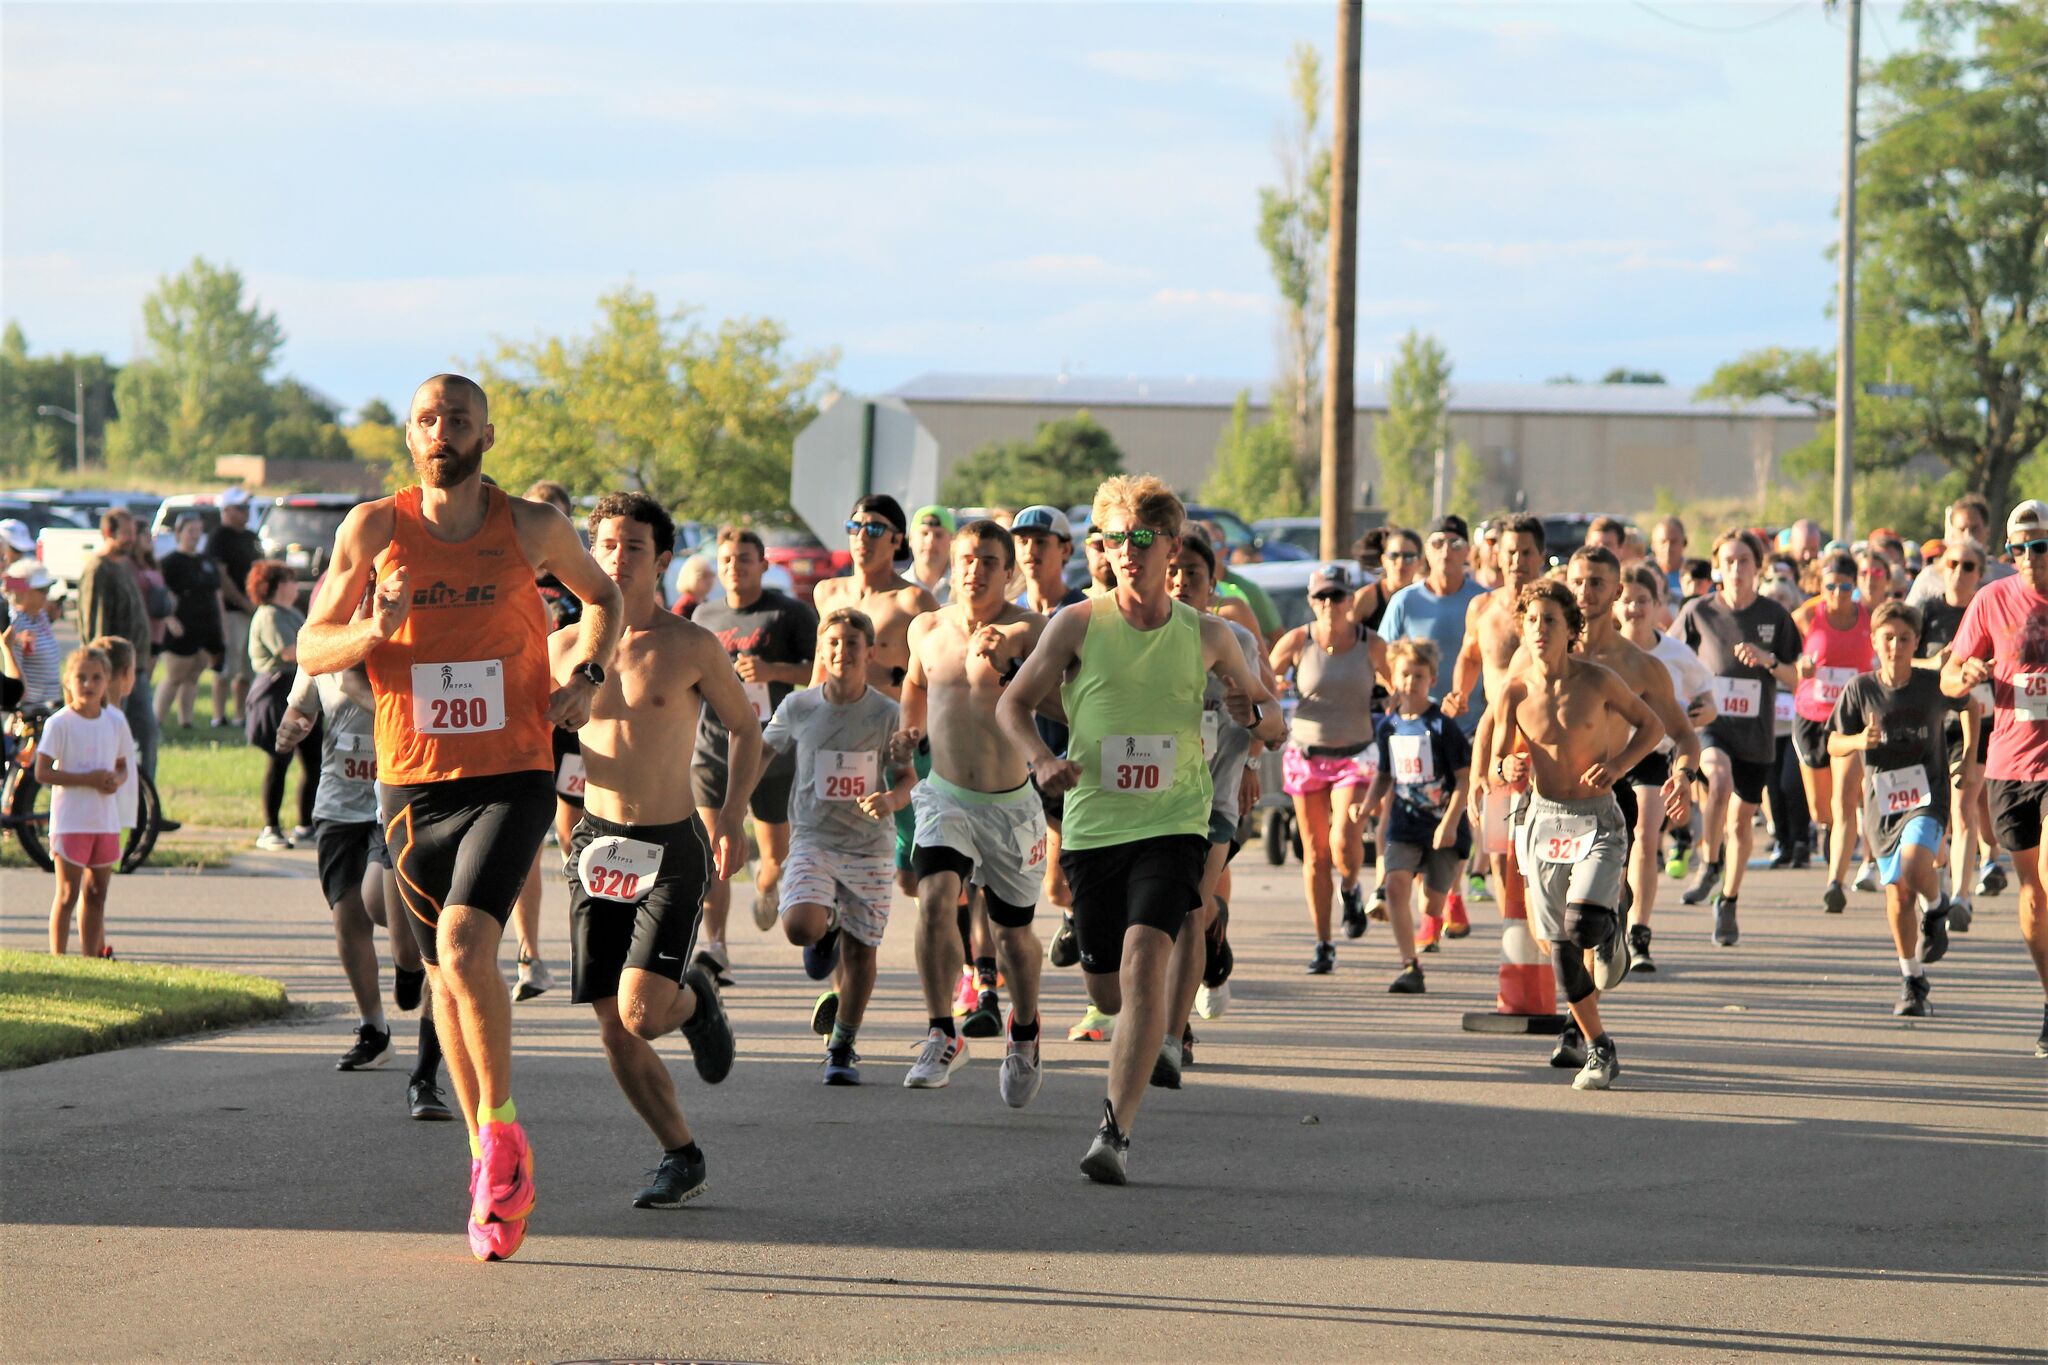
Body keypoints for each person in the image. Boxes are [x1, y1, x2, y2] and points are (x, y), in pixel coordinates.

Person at [301, 372, 623, 1263]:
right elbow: (310, 642)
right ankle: (485, 1157)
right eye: (428, 420)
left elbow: (605, 598)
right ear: (411, 435)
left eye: (460, 420)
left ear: (489, 435)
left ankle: (505, 1127)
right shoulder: (372, 528)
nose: (443, 432)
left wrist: (585, 677)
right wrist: (375, 629)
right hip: (413, 782)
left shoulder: (532, 527)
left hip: (512, 765)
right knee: (444, 973)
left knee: (470, 944)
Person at [997, 475, 1285, 1185]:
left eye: (1142, 539)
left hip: (1175, 821)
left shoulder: (1211, 634)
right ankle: (1143, 1026)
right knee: (1108, 991)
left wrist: (1250, 716)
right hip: (1095, 826)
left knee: (1145, 956)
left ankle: (1114, 1130)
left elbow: (1271, 719)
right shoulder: (1076, 622)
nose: (1127, 552)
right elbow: (1012, 704)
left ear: (1170, 547)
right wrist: (1040, 760)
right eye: (1115, 539)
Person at [550, 492, 746, 1209]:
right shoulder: (565, 647)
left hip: (669, 845)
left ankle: (695, 1002)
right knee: (613, 1022)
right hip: (596, 846)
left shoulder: (690, 645)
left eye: (633, 545)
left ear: (662, 559)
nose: (617, 556)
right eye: (605, 543)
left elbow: (747, 731)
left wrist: (729, 816)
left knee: (640, 1011)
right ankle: (681, 1153)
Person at [1482, 581, 1665, 1090]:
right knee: (1561, 950)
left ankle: (1611, 920)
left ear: (1570, 630)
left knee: (1583, 925)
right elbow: (1498, 763)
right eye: (1532, 621)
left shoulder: (1599, 681)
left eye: (1550, 622)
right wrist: (1507, 767)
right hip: (1544, 820)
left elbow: (1649, 726)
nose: (1539, 631)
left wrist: (1619, 765)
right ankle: (1600, 1048)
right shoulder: (1515, 692)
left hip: (1597, 818)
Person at [899, 521, 1051, 1100]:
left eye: (989, 560)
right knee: (935, 899)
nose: (975, 570)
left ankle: (1026, 1031)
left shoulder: (1031, 628)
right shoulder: (926, 628)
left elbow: (1065, 698)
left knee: (1014, 939)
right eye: (967, 558)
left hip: (1010, 806)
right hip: (945, 794)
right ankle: (943, 1031)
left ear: (1008, 570)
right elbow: (915, 687)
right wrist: (906, 732)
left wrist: (1010, 661)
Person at [276, 647, 451, 1116]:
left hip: (394, 794)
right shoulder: (325, 646)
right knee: (348, 917)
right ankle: (374, 1029)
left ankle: (407, 967)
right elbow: (303, 703)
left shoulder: (407, 649)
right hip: (338, 801)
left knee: (388, 916)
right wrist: (293, 725)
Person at [766, 608, 912, 1087]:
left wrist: (890, 798)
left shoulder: (888, 715)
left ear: (870, 653)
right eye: (833, 643)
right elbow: (761, 750)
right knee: (799, 927)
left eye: (853, 644)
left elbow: (908, 778)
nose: (842, 652)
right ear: (820, 650)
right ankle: (823, 921)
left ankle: (842, 1046)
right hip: (814, 837)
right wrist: (730, 792)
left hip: (869, 846)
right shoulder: (799, 707)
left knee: (862, 953)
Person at [1157, 530, 1268, 1078]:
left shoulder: (1234, 642)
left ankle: (1174, 1035)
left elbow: (1276, 723)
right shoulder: (1140, 636)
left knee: (1187, 916)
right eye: (1172, 571)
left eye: (1192, 574)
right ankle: (1213, 926)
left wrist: (1249, 731)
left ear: (1212, 580)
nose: (1179, 582)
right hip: (1149, 800)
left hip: (1213, 800)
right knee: (1160, 920)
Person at [1941, 499, 2048, 1058]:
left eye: (2040, 546)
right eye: (2019, 548)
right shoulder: (1992, 599)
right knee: (2033, 895)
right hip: (2010, 764)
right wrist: (1969, 673)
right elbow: (1950, 677)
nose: (2030, 557)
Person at [1830, 602, 1972, 1017]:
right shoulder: (1860, 689)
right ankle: (1913, 979)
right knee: (1897, 896)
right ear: (1874, 641)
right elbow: (1834, 744)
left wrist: (1969, 756)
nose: (1895, 646)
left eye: (1904, 638)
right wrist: (1859, 741)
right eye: (1887, 638)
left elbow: (1971, 706)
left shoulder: (1932, 684)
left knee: (1914, 867)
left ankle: (1937, 905)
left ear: (1915, 643)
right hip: (1883, 805)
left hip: (1929, 795)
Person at [690, 525, 818, 983]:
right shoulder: (703, 615)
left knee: (775, 858)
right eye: (726, 560)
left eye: (744, 559)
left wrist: (772, 669)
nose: (734, 567)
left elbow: (817, 673)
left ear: (763, 565)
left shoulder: (789, 615)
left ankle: (767, 884)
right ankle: (717, 947)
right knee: (714, 853)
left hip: (772, 753)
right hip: (712, 750)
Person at [1676, 530, 1802, 945]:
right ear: (1716, 567)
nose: (1735, 568)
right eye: (1728, 561)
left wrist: (1769, 661)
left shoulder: (1774, 615)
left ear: (1757, 567)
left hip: (1756, 731)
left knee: (1741, 820)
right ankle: (1709, 862)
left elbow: (1796, 676)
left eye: (1743, 561)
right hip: (1712, 723)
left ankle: (1728, 899)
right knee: (1718, 778)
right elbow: (1668, 655)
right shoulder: (1699, 612)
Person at [813, 495, 941, 897]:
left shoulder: (913, 600)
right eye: (855, 527)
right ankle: (828, 920)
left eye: (874, 529)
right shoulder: (827, 592)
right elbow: (819, 669)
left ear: (897, 540)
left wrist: (921, 731)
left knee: (910, 871)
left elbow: (937, 675)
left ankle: (951, 922)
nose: (862, 537)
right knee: (833, 843)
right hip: (839, 739)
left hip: (897, 743)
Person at [1271, 561, 1388, 972]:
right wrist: (1277, 687)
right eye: (1321, 596)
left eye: (1336, 596)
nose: (1329, 604)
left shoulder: (1370, 644)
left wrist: (1399, 709)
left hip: (1355, 755)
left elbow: (1401, 687)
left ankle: (1352, 887)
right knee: (1316, 855)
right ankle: (1323, 943)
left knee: (1343, 838)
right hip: (1306, 754)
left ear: (1350, 600)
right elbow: (1262, 682)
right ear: (1311, 600)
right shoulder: (1298, 641)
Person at [1447, 514, 1549, 952]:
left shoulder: (1553, 607)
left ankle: (1546, 934)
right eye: (1509, 551)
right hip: (1496, 739)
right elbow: (1470, 656)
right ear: (1495, 553)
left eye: (1526, 552)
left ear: (1540, 556)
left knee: (1545, 845)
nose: (1517, 560)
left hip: (1545, 739)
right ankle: (1519, 942)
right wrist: (1459, 692)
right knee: (1500, 847)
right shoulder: (1482, 607)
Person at [1615, 565, 1715, 969]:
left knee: (1644, 835)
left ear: (1660, 605)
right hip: (1606, 757)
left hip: (1653, 757)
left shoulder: (1674, 652)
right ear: (1614, 605)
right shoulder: (1600, 650)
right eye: (1627, 600)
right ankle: (1610, 919)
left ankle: (1639, 932)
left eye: (1643, 600)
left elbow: (1709, 694)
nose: (1635, 608)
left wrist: (1703, 712)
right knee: (1611, 846)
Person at [1361, 640, 1470, 995]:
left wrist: (1451, 822)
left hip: (1443, 827)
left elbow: (1465, 777)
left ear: (1432, 679)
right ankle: (1410, 965)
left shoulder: (1442, 726)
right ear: (1393, 677)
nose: (1411, 682)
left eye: (1419, 676)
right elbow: (1385, 775)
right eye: (1405, 674)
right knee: (1395, 886)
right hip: (1405, 825)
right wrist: (1365, 808)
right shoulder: (1389, 727)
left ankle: (1438, 915)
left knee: (1431, 903)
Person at [1011, 505, 1087, 979]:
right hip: (1010, 767)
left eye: (1042, 541)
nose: (1031, 550)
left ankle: (1077, 917)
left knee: (1058, 887)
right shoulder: (1009, 615)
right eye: (1022, 541)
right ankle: (981, 974)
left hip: (1064, 762)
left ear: (1065, 550)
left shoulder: (1082, 614)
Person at [1791, 552, 1876, 912]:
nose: (1838, 594)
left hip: (1850, 718)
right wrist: (1801, 665)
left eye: (1845, 586)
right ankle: (1827, 830)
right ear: (1821, 586)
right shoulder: (1808, 615)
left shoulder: (1868, 618)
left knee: (1846, 797)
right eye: (1830, 586)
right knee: (1819, 807)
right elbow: (1791, 657)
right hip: (1812, 714)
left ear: (1854, 586)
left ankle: (1836, 880)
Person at [37, 645, 133, 959]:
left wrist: (113, 781)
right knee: (67, 893)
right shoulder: (60, 723)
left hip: (104, 821)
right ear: (68, 682)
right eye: (81, 677)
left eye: (96, 677)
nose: (88, 685)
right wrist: (87, 779)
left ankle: (90, 957)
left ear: (107, 681)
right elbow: (43, 771)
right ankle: (59, 958)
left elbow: (121, 766)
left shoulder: (115, 721)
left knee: (96, 892)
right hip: (71, 821)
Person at [1917, 537, 1992, 928]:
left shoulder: (1991, 612)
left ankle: (1962, 896)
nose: (1958, 573)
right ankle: (1939, 883)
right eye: (1951, 564)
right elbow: (1895, 661)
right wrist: (1934, 663)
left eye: (1968, 566)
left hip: (1977, 722)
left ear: (1980, 574)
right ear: (1940, 567)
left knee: (1964, 808)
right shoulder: (1927, 611)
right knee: (1935, 814)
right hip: (1932, 725)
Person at [1380, 516, 1487, 731]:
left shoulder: (1484, 601)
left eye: (1455, 544)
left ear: (1468, 551)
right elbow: (1380, 656)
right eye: (1438, 544)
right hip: (1419, 727)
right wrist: (1397, 693)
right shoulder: (1404, 601)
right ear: (1426, 552)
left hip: (1475, 724)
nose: (1446, 551)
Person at [76, 507, 158, 785]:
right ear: (108, 533)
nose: (132, 539)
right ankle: (128, 797)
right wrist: (103, 675)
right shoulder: (99, 569)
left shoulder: (123, 565)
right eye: (126, 534)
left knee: (145, 733)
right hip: (114, 673)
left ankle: (146, 798)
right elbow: (95, 629)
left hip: (134, 668)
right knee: (125, 733)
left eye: (134, 533)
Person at [244, 560, 320, 851]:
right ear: (275, 586)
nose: (294, 585)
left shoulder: (291, 613)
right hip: (277, 691)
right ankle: (270, 827)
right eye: (289, 580)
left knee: (313, 761)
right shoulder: (270, 615)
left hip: (300, 688)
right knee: (280, 759)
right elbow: (289, 652)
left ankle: (305, 824)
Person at [156, 514, 226, 730]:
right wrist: (169, 620)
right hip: (180, 627)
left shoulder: (206, 561)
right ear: (179, 533)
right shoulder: (170, 563)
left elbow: (217, 594)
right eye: (190, 531)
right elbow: (160, 596)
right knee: (175, 676)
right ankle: (156, 720)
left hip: (206, 627)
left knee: (194, 675)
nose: (195, 536)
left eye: (198, 531)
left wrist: (221, 626)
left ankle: (186, 721)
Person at [208, 487, 263, 727]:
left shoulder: (250, 537)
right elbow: (222, 576)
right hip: (231, 610)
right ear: (227, 510)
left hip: (252, 609)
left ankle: (240, 714)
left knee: (246, 668)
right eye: (241, 508)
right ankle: (219, 716)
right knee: (227, 666)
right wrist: (244, 603)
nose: (246, 512)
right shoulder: (219, 537)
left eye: (247, 507)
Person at [1910, 495, 2014, 605]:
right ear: (1952, 534)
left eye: (1974, 529)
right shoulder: (1930, 577)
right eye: (1961, 529)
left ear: (1987, 532)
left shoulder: (2006, 578)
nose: (1968, 536)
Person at [1, 560, 62, 707]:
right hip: (29, 710)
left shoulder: (40, 616)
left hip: (49, 705)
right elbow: (13, 675)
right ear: (25, 591)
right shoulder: (15, 622)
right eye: (42, 590)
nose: (47, 595)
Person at [1350, 527, 1422, 634]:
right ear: (1383, 560)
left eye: (1409, 557)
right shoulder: (1366, 598)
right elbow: (1343, 638)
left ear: (1421, 562)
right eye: (1394, 555)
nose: (1400, 562)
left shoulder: (1425, 599)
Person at [908, 505, 955, 605]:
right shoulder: (896, 588)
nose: (930, 541)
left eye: (938, 535)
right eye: (924, 533)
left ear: (952, 541)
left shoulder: (962, 588)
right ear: (911, 539)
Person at [1651, 517, 1689, 601]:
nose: (1668, 548)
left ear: (1684, 543)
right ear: (1653, 544)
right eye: (1663, 542)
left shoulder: (1697, 574)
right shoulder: (1643, 574)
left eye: (1673, 542)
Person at [669, 554, 715, 618]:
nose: (709, 580)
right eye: (704, 575)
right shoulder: (684, 606)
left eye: (711, 575)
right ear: (689, 577)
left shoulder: (705, 602)